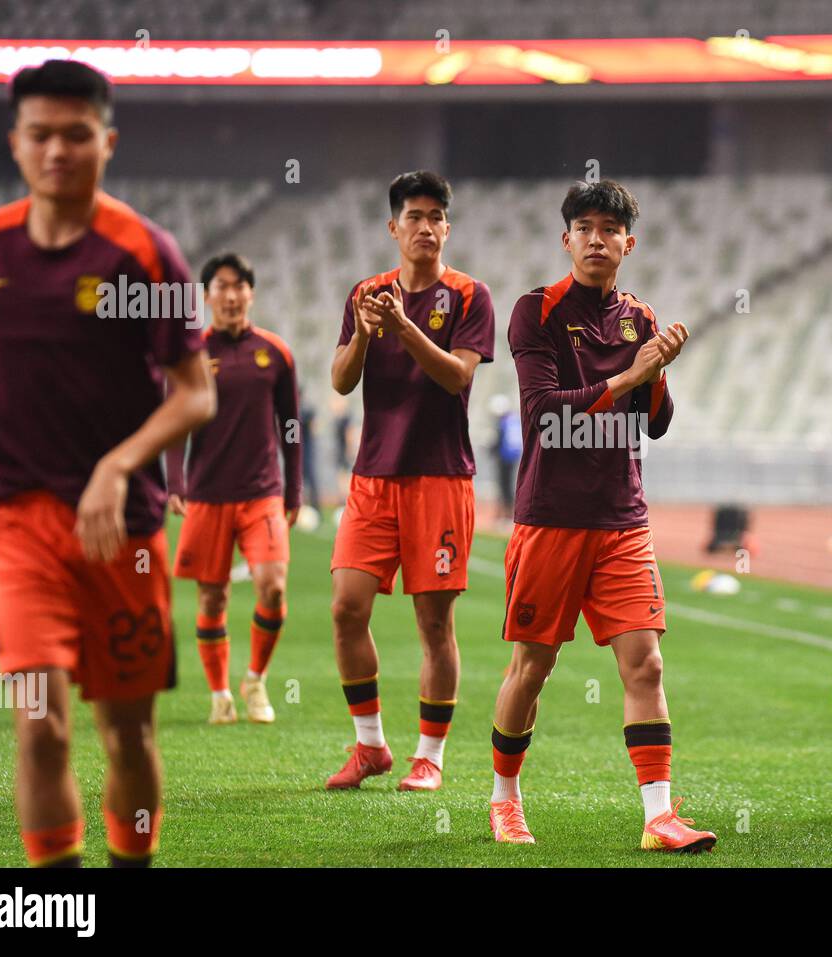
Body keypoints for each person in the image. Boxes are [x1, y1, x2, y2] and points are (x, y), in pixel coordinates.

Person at [0, 59, 215, 866]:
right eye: (40, 135)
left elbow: (196, 394)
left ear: (107, 141)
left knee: (126, 731)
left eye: (76, 134)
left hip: (122, 528)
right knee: (40, 722)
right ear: (16, 145)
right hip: (15, 521)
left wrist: (119, 464)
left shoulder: (144, 253)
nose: (57, 150)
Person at [486, 180, 715, 853]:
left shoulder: (640, 317)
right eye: (583, 226)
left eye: (609, 228)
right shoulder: (536, 311)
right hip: (551, 517)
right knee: (532, 665)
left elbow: (657, 423)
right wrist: (625, 377)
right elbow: (543, 417)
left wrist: (658, 372)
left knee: (645, 664)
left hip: (622, 520)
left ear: (627, 243)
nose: (596, 238)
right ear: (566, 240)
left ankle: (659, 816)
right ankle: (504, 799)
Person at [326, 171, 495, 793]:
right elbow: (342, 381)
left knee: (433, 624)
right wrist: (369, 334)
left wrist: (402, 328)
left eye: (435, 217)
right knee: (346, 608)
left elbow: (457, 378)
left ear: (447, 228)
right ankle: (370, 746)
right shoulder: (366, 293)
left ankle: (431, 755)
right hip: (373, 475)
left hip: (441, 478)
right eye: (412, 217)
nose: (425, 227)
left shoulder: (470, 295)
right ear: (392, 228)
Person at [166, 252, 301, 725]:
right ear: (207, 296)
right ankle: (220, 694)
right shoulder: (191, 354)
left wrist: (295, 491)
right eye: (221, 286)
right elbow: (174, 421)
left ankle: (256, 680)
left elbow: (291, 426)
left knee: (273, 586)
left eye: (239, 285)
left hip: (262, 491)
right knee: (212, 598)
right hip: (207, 494)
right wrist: (175, 482)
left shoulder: (276, 352)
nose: (231, 294)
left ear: (251, 293)